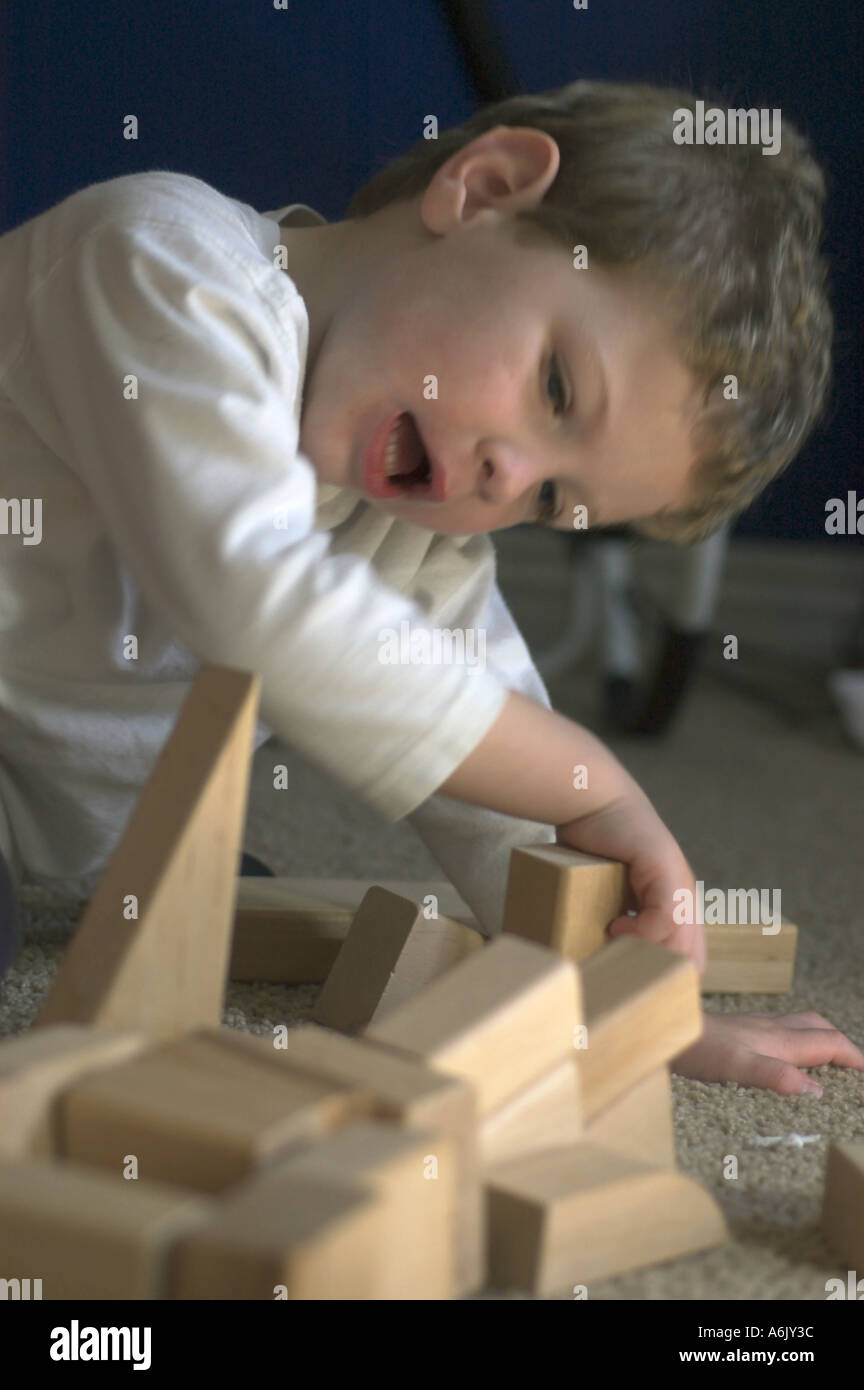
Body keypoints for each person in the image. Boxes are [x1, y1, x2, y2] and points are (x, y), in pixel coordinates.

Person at [1, 80, 859, 1095]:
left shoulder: (414, 531)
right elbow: (258, 601)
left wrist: (637, 1008)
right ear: (484, 189)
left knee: (207, 897)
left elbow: (503, 811)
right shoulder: (161, 263)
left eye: (552, 501)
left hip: (45, 824)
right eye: (556, 388)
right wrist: (591, 774)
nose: (509, 476)